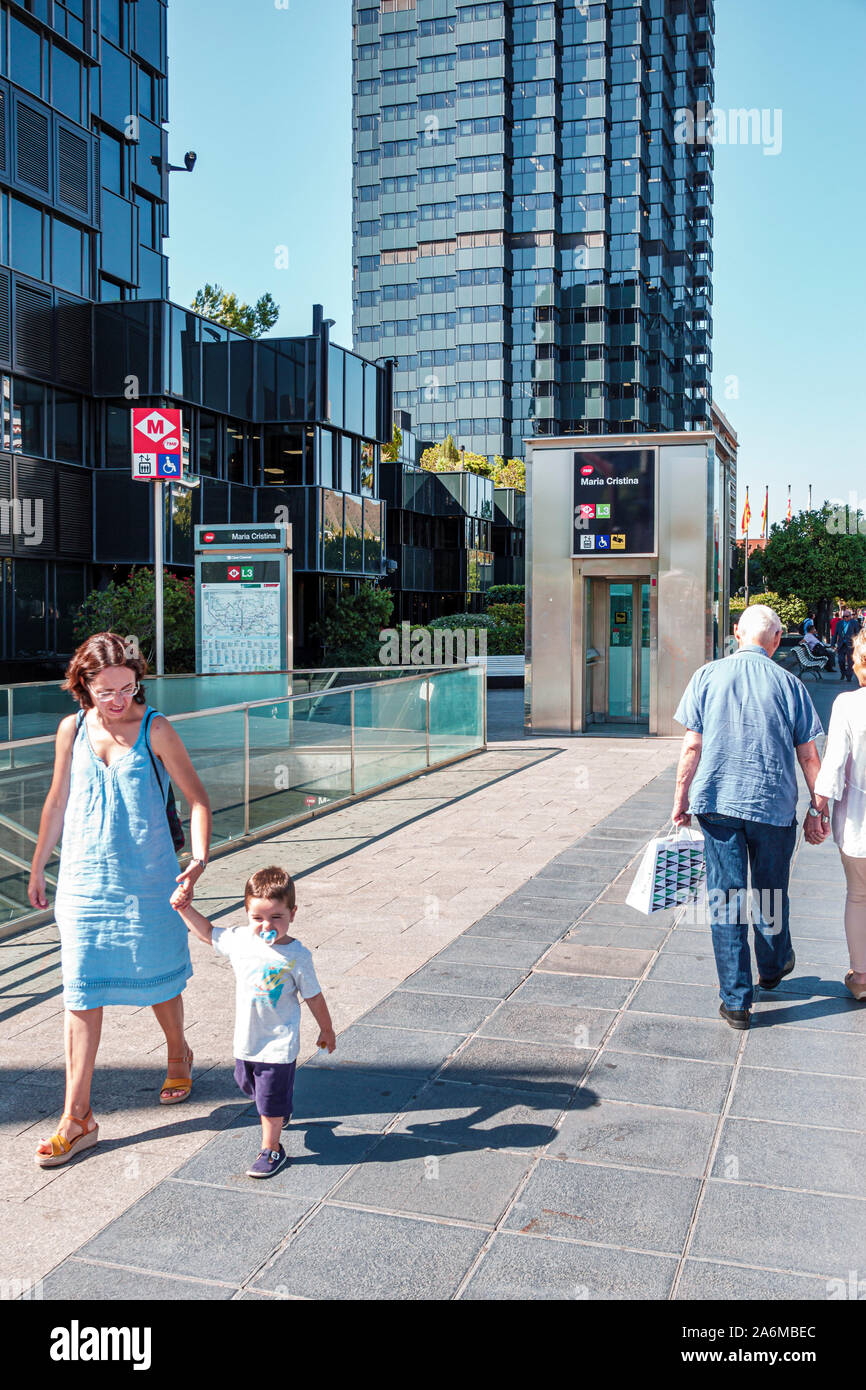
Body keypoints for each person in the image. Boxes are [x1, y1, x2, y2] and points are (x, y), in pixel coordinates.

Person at [28, 633, 212, 1167]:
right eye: (105, 690)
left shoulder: (155, 728)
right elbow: (58, 798)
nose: (118, 700)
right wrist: (39, 865)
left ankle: (178, 1050)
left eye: (127, 688)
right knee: (81, 993)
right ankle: (77, 1116)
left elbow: (198, 800)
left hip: (151, 880)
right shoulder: (73, 729)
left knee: (158, 975)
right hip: (84, 885)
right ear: (82, 685)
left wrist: (196, 863)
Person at [672, 604, 824, 1029]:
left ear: (737, 633)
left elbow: (691, 747)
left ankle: (737, 1001)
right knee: (772, 891)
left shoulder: (705, 676)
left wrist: (680, 797)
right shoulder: (790, 684)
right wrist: (818, 806)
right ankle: (773, 966)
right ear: (776, 640)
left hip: (716, 804)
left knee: (726, 898)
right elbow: (808, 754)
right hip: (773, 806)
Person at [178, 865, 336, 1178]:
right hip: (246, 1040)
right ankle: (280, 1107)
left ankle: (272, 1149)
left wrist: (326, 1029)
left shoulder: (297, 955)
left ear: (292, 913)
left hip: (279, 1043)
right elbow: (207, 933)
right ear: (247, 913)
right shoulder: (241, 940)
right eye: (258, 918)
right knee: (247, 1084)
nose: (267, 925)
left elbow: (314, 996)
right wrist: (184, 908)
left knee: (268, 1101)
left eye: (276, 917)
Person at [809, 629, 866, 1000]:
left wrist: (819, 808)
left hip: (859, 824)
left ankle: (861, 977)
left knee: (859, 896)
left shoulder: (848, 704)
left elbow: (833, 763)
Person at [836, 606, 862, 683]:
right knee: (841, 661)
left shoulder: (854, 623)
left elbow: (857, 634)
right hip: (841, 645)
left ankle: (849, 676)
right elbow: (835, 634)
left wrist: (858, 644)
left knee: (850, 662)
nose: (845, 618)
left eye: (847, 616)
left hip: (850, 645)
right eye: (844, 616)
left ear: (850, 616)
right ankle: (843, 673)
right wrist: (832, 644)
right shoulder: (839, 623)